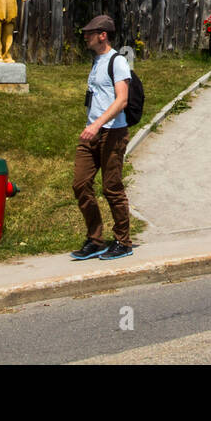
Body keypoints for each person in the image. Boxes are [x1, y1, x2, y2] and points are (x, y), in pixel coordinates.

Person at [70, 14, 134, 260]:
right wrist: (92, 126)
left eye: (89, 33)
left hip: (112, 133)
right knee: (80, 184)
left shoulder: (117, 61)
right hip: (91, 133)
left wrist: (97, 124)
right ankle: (95, 240)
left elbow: (122, 99)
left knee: (112, 188)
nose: (85, 36)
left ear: (102, 35)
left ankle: (123, 241)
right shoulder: (97, 61)